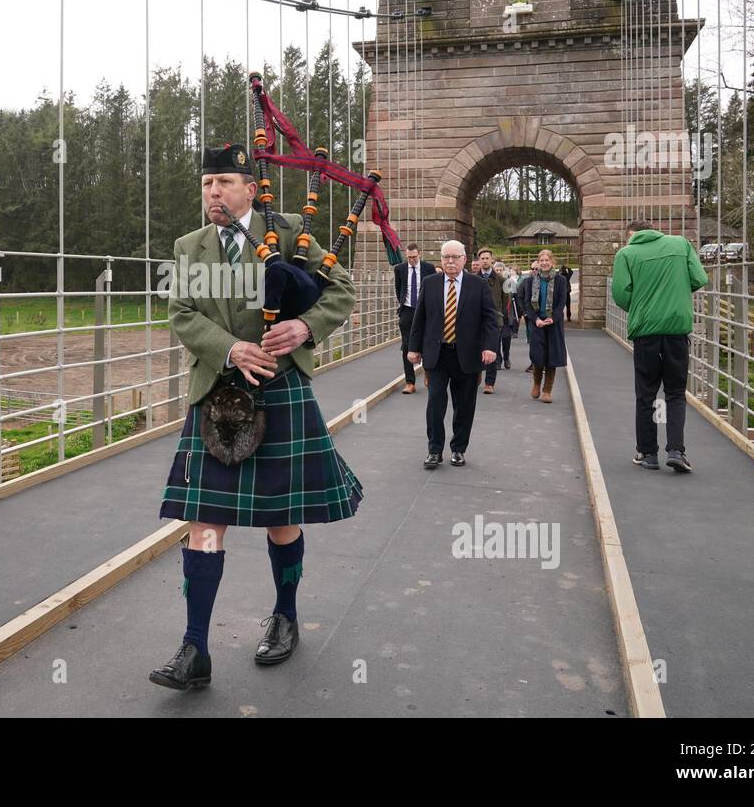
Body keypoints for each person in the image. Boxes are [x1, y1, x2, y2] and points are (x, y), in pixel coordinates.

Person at [150, 143, 362, 691]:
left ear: (249, 187)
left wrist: (306, 328)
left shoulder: (290, 233)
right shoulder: (189, 247)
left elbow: (340, 288)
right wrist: (229, 348)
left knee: (280, 517)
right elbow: (181, 312)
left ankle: (285, 615)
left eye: (223, 181)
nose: (213, 192)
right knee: (205, 525)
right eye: (206, 184)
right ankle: (195, 646)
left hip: (279, 388)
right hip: (217, 393)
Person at [612, 219, 709, 472]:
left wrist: (643, 303)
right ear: (654, 230)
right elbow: (699, 278)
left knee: (647, 394)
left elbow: (621, 295)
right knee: (675, 393)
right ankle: (676, 450)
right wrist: (675, 292)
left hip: (646, 333)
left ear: (630, 236)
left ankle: (648, 453)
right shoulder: (681, 244)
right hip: (677, 330)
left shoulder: (626, 253)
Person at [407, 240, 499, 469]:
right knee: (435, 403)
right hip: (437, 355)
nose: (450, 261)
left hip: (467, 355)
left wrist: (489, 347)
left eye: (455, 257)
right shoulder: (430, 283)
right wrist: (413, 347)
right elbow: (420, 319)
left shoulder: (477, 285)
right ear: (441, 259)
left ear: (464, 260)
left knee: (464, 405)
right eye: (446, 257)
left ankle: (458, 449)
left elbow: (490, 319)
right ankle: (434, 450)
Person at [517, 249, 569, 403]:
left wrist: (554, 318)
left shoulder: (561, 281)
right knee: (538, 356)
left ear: (552, 262)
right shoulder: (530, 280)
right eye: (542, 261)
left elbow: (561, 302)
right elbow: (527, 302)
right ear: (538, 263)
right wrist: (535, 319)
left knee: (552, 357)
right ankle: (537, 383)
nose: (545, 263)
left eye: (547, 260)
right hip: (537, 323)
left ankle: (547, 390)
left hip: (553, 323)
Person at [393, 243, 436, 394]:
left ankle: (428, 374)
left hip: (424, 310)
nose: (411, 260)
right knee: (407, 346)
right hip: (407, 311)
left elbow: (433, 288)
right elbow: (398, 288)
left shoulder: (428, 268)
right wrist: (403, 303)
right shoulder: (400, 269)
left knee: (426, 343)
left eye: (414, 257)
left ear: (420, 254)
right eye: (409, 257)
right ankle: (410, 382)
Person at [475, 248, 505, 394]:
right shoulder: (473, 279)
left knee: (492, 349)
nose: (485, 261)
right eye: (482, 258)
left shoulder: (501, 279)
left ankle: (489, 383)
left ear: (492, 260)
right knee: (476, 350)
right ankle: (477, 374)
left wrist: (502, 318)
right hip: (476, 321)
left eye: (487, 258)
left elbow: (505, 301)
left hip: (494, 321)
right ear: (479, 260)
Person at [499, 263, 519, 370]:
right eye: (496, 269)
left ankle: (506, 358)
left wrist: (518, 314)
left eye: (500, 270)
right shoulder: (494, 283)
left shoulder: (510, 283)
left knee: (506, 339)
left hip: (507, 316)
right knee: (495, 340)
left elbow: (516, 299)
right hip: (496, 316)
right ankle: (498, 360)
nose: (499, 272)